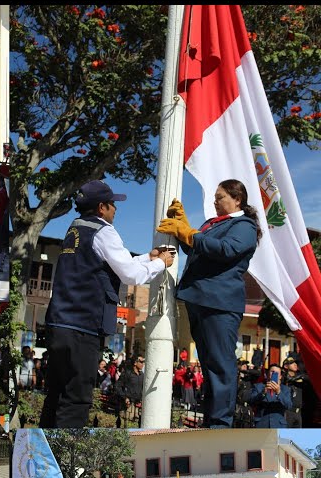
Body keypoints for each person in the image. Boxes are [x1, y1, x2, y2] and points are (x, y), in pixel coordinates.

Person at [41, 181, 172, 428]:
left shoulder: (76, 228)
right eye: (112, 204)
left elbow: (109, 261)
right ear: (102, 207)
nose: (115, 208)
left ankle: (42, 455)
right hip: (83, 325)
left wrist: (147, 257)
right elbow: (131, 275)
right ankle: (65, 460)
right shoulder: (104, 231)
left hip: (59, 321)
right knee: (76, 399)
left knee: (55, 395)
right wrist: (161, 263)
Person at [158, 180, 260, 428]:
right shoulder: (212, 224)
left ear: (237, 199)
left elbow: (225, 249)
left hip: (219, 304)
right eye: (215, 197)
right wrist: (185, 229)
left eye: (220, 196)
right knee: (209, 365)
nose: (215, 201)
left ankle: (220, 424)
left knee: (221, 366)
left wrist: (189, 233)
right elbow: (197, 249)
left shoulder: (244, 225)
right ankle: (212, 420)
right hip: (199, 299)